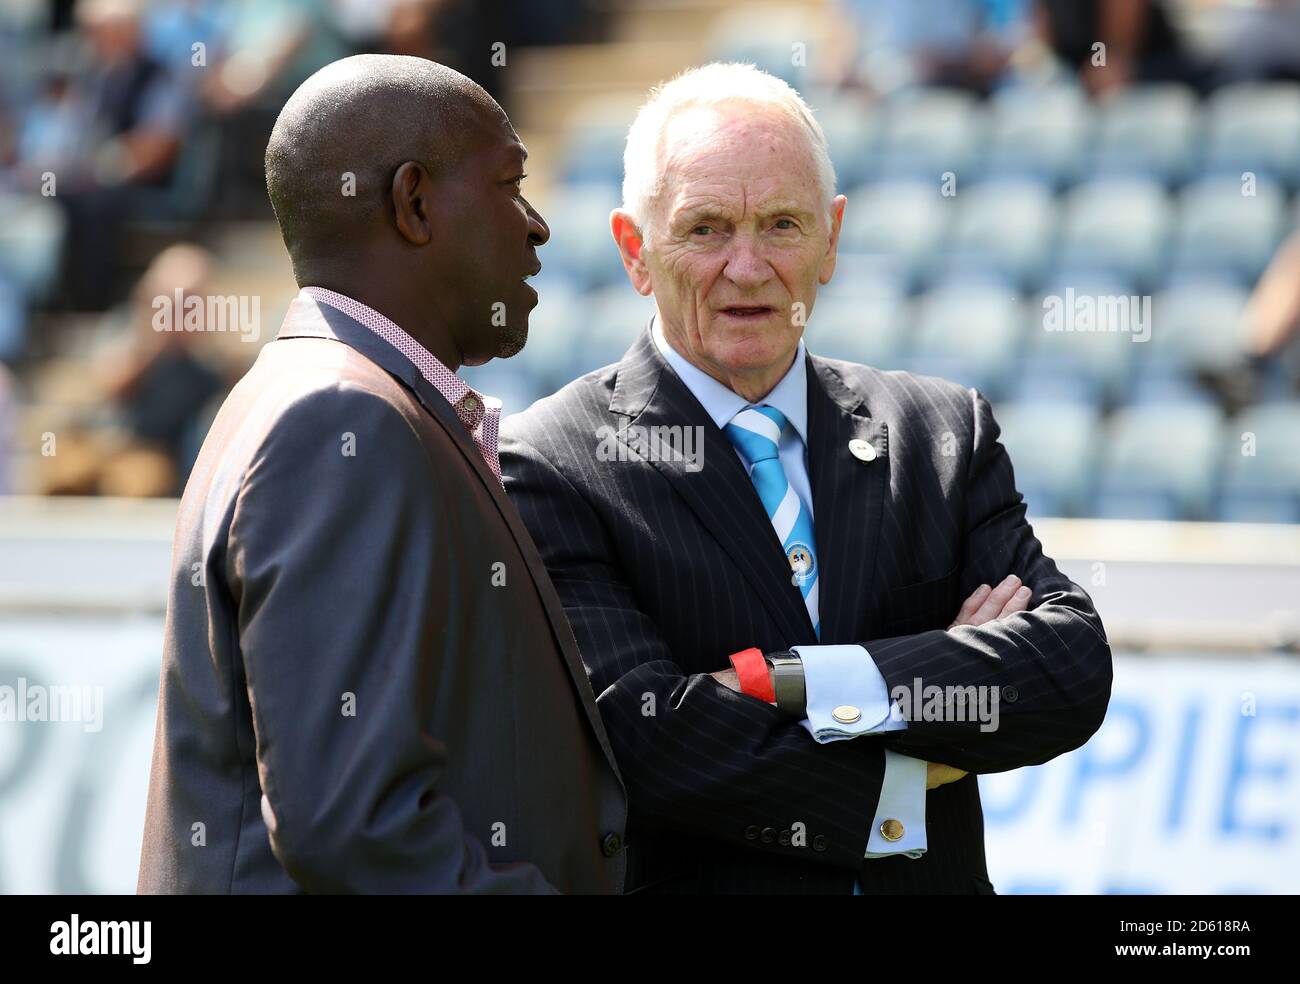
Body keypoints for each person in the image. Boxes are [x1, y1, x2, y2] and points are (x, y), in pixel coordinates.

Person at [500, 63, 1112, 894]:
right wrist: (918, 748)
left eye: (782, 224)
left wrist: (793, 681)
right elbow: (646, 741)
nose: (748, 267)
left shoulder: (941, 432)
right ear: (636, 253)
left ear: (830, 240)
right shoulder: (551, 462)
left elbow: (1067, 670)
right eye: (707, 227)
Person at [138, 54, 626, 894]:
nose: (537, 225)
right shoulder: (341, 418)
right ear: (414, 203)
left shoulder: (318, 396)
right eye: (509, 183)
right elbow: (353, 827)